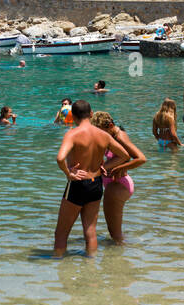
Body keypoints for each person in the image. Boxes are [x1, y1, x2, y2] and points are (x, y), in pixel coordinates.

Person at [53, 100, 129, 258]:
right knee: (90, 231)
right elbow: (125, 155)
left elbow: (60, 158)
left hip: (78, 184)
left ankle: (57, 263)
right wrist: (105, 168)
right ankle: (91, 267)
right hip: (96, 185)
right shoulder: (103, 135)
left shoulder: (72, 134)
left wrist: (69, 174)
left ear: (73, 116)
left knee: (61, 233)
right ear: (92, 113)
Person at [91, 111, 146, 245]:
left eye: (101, 132)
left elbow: (141, 158)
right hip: (114, 185)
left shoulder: (120, 137)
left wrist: (119, 168)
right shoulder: (113, 136)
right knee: (114, 234)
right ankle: (120, 256)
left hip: (118, 185)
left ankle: (120, 258)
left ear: (110, 125)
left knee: (116, 237)